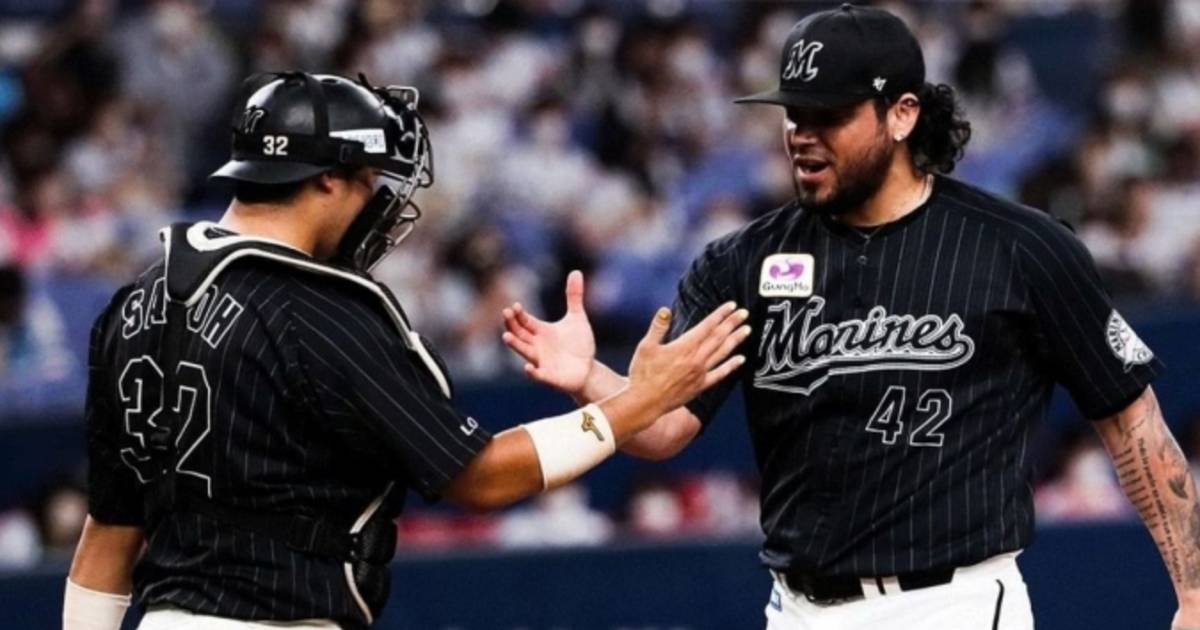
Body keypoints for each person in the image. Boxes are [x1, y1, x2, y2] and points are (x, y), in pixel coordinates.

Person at [502, 5, 1200, 629]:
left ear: (901, 114)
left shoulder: (1019, 248)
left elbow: (1130, 420)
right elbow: (663, 429)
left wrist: (1193, 594)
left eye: (828, 115)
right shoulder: (742, 262)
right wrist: (588, 376)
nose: (802, 134)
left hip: (950, 604)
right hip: (797, 607)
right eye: (792, 114)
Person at [63, 71, 750, 630]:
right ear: (328, 178)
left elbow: (108, 540)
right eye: (370, 178)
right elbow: (481, 476)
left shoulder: (135, 306)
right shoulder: (323, 311)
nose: (377, 199)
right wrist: (638, 402)